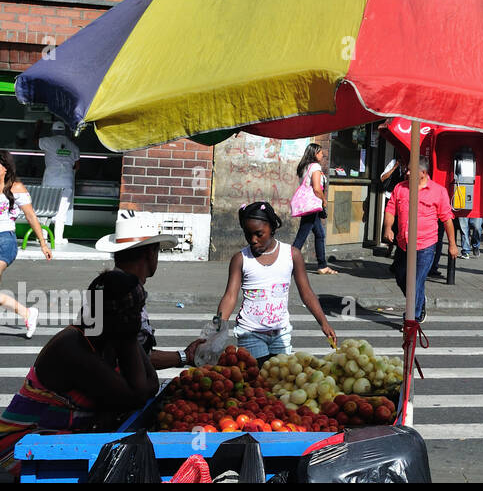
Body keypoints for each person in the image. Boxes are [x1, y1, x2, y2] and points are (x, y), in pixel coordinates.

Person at [0, 269, 157, 477]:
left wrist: (128, 336)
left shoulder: (109, 338)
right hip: (22, 450)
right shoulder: (72, 347)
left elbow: (152, 385)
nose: (138, 319)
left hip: (60, 443)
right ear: (109, 318)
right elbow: (136, 395)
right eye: (133, 314)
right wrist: (129, 340)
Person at [215, 201, 336, 363]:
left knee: (279, 380)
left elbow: (306, 293)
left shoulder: (292, 255)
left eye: (259, 234)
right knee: (258, 379)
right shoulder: (240, 259)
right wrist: (218, 327)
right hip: (250, 333)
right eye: (248, 234)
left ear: (272, 228)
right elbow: (230, 297)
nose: (253, 240)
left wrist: (324, 322)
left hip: (281, 333)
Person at [98, 208, 203, 369]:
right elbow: (135, 357)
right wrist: (185, 357)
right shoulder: (126, 294)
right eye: (157, 250)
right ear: (150, 253)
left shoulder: (111, 284)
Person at [383, 157, 459, 321]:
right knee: (400, 276)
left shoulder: (438, 191)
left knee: (416, 282)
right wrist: (388, 228)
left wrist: (452, 244)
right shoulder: (400, 188)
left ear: (423, 173)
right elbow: (390, 209)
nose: (407, 172)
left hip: (426, 245)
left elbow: (447, 219)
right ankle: (419, 301)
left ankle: (413, 317)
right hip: (404, 244)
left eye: (411, 170)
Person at [0, 150, 53, 337]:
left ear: (5, 168)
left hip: (4, 241)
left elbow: (31, 216)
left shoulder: (17, 189)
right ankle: (28, 313)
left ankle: (27, 313)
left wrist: (43, 243)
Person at [290, 142, 335, 275]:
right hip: (312, 205)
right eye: (320, 152)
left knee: (320, 234)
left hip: (310, 206)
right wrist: (324, 200)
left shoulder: (305, 167)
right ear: (315, 154)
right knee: (301, 237)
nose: (323, 154)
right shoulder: (315, 167)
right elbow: (316, 188)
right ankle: (287, 264)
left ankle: (322, 265)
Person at [37, 121, 78, 250]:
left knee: (46, 209)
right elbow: (77, 165)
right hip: (67, 181)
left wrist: (37, 127)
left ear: (52, 131)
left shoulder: (48, 141)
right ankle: (59, 238)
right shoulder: (73, 146)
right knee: (62, 212)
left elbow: (35, 142)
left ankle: (43, 237)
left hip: (51, 181)